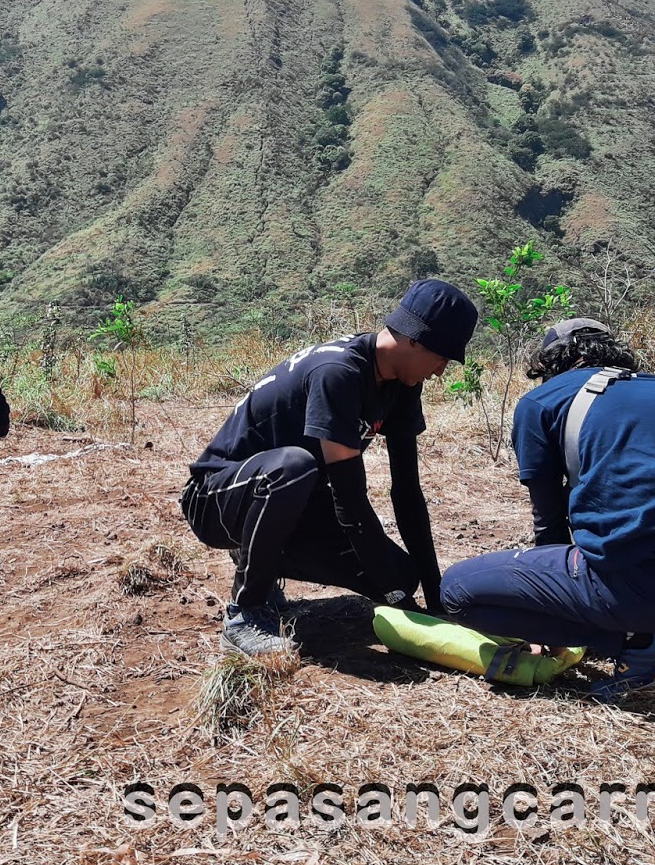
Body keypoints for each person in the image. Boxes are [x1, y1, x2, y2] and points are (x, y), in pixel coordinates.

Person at [438, 317, 655, 698]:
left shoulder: (541, 402)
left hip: (653, 583)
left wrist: (547, 616)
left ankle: (645, 643)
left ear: (551, 364)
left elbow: (548, 525)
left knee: (457, 592)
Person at [181, 279, 479, 657]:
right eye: (442, 358)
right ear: (415, 339)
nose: (439, 372)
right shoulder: (339, 372)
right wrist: (401, 601)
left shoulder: (402, 382)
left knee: (404, 574)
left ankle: (262, 558)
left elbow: (407, 492)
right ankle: (245, 613)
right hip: (216, 499)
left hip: (293, 501)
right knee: (295, 465)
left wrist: (431, 594)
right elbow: (350, 499)